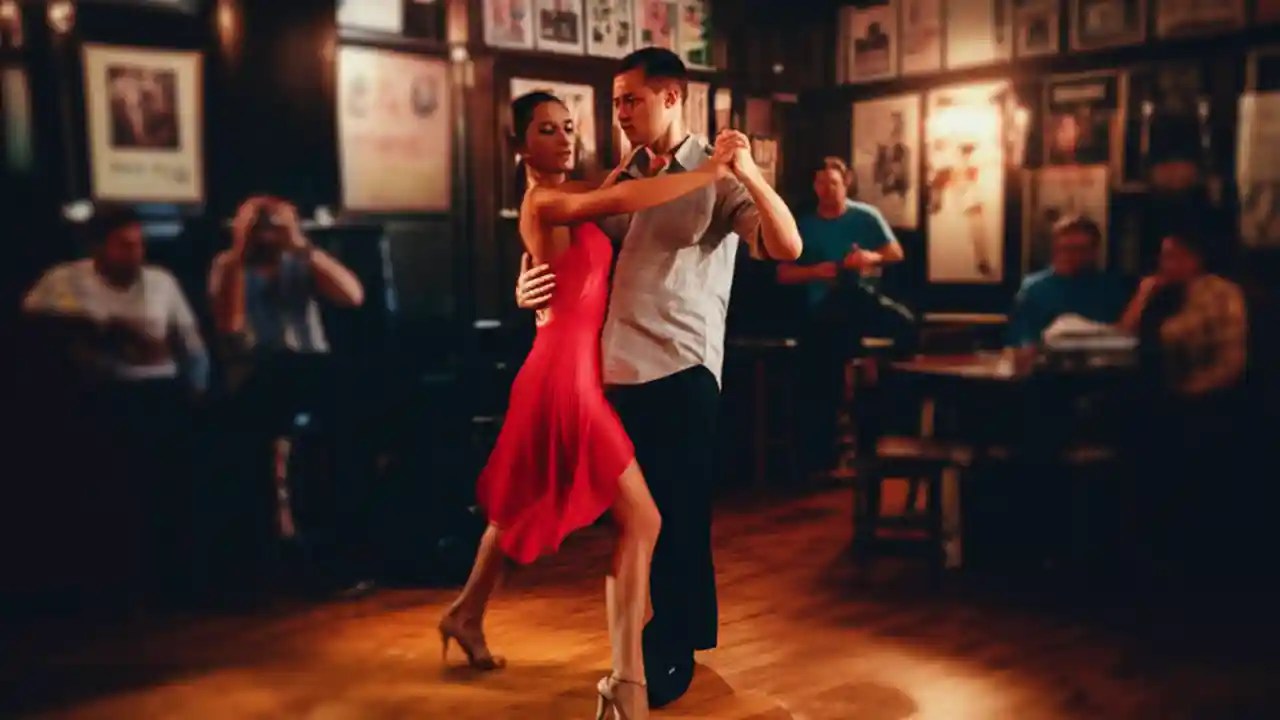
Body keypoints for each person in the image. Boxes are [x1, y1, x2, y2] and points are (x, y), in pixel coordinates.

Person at [514, 47, 803, 708]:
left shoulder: (716, 173)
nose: (619, 112)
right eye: (615, 101)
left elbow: (788, 246)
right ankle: (642, 650)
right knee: (634, 523)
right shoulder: (625, 175)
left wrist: (749, 172)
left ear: (672, 97)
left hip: (680, 366)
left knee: (676, 519)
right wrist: (526, 289)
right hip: (612, 370)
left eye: (631, 99)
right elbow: (574, 254)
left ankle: (673, 647)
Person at [439, 91, 737, 720]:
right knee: (643, 520)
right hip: (564, 377)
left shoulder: (575, 191)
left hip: (572, 370)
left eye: (569, 126)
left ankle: (465, 613)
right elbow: (625, 199)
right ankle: (627, 681)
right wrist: (708, 172)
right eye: (547, 129)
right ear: (519, 145)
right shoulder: (544, 201)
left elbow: (616, 195)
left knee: (522, 499)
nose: (565, 137)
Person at [22, 206, 209, 605]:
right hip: (100, 395)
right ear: (98, 247)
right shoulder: (66, 279)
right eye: (124, 245)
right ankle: (114, 586)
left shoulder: (160, 282)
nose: (134, 254)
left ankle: (168, 583)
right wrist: (104, 326)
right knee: (109, 493)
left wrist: (197, 390)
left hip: (159, 390)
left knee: (165, 492)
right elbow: (31, 317)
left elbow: (190, 342)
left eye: (139, 245)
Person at [207, 196, 370, 597]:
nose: (268, 235)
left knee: (347, 422)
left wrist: (302, 247)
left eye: (275, 226)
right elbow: (230, 325)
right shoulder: (227, 266)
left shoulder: (302, 261)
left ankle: (341, 551)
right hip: (257, 372)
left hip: (310, 368)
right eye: (260, 227)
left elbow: (352, 296)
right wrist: (241, 256)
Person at [775, 157, 909, 478]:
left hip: (864, 304)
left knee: (904, 324)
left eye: (833, 183)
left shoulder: (866, 216)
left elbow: (895, 253)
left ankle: (890, 419)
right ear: (814, 186)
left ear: (845, 183)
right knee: (825, 360)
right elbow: (783, 273)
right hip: (824, 310)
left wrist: (869, 256)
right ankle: (828, 451)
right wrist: (815, 272)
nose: (827, 190)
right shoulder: (805, 225)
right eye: (821, 183)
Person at [1007, 215, 1129, 349]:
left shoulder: (1109, 288)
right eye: (1065, 249)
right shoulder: (1034, 289)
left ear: (1094, 252)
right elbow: (1020, 339)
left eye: (1081, 250)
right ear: (1055, 249)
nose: (1072, 256)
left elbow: (1122, 335)